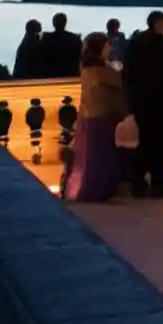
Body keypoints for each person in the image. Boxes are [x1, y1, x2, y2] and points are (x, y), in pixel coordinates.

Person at [65, 32, 128, 202]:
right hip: (101, 115)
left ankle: (90, 190)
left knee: (91, 156)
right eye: (107, 46)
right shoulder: (102, 70)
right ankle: (95, 191)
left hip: (90, 115)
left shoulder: (87, 68)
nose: (109, 48)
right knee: (100, 157)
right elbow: (118, 83)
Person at [124, 11, 163, 198]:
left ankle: (138, 182)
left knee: (143, 142)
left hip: (141, 102)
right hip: (161, 101)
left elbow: (128, 73)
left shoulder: (136, 42)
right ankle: (158, 183)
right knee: (162, 143)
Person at [41, 13, 83, 77]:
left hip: (50, 75)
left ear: (53, 23)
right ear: (65, 23)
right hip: (71, 76)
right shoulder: (74, 39)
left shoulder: (46, 39)